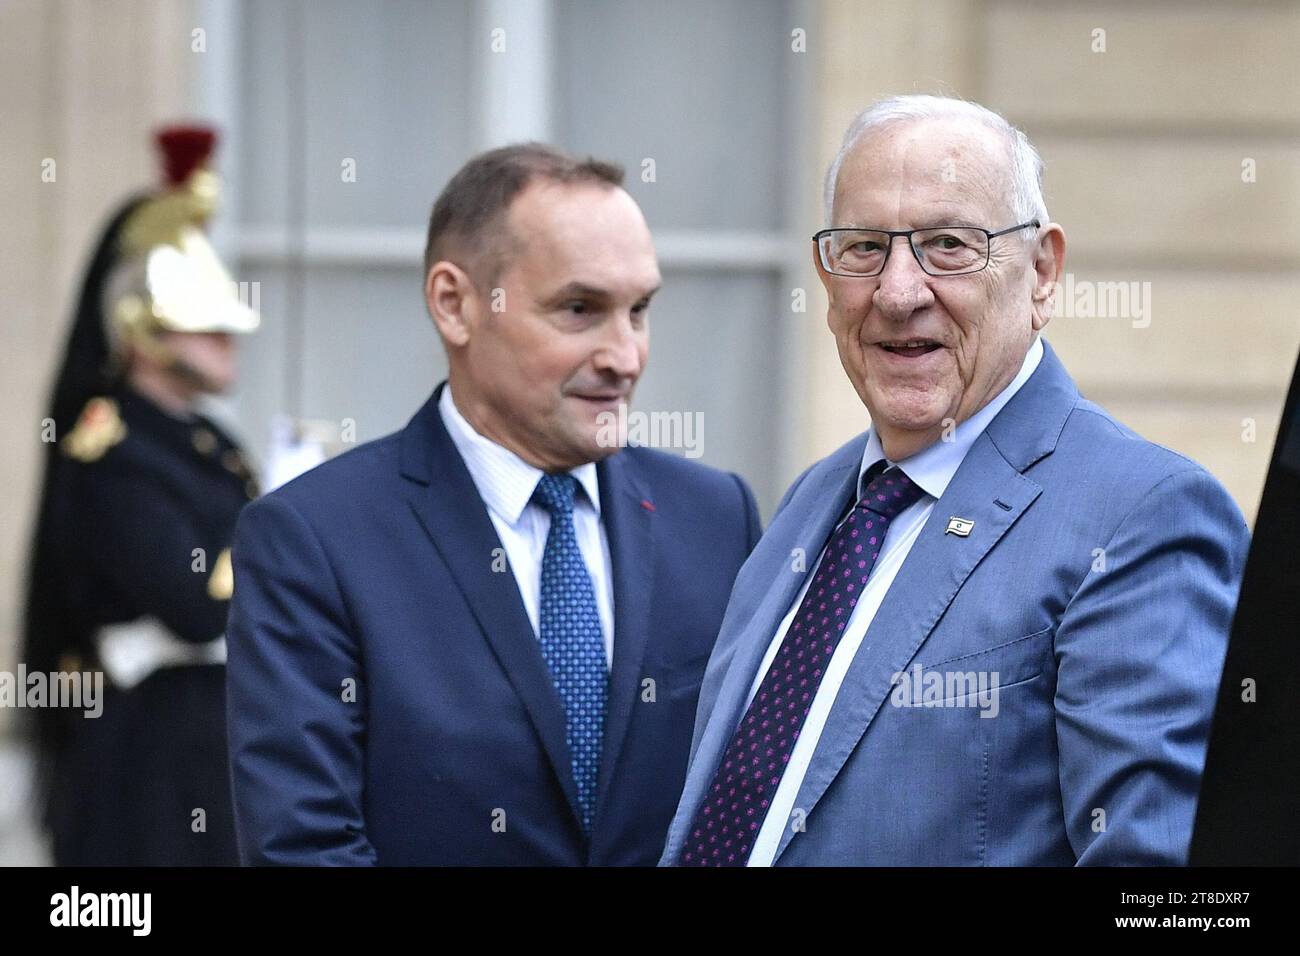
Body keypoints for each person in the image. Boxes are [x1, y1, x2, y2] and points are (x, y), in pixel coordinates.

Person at [661, 95, 1251, 867]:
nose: (898, 293)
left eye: (947, 245)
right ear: (826, 273)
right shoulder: (817, 498)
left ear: (1042, 272)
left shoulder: (1143, 516)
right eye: (865, 247)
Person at [226, 143, 762, 865]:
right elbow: (304, 847)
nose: (625, 356)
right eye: (580, 309)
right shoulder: (313, 540)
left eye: (639, 311)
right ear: (455, 304)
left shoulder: (715, 518)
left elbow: (752, 804)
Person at [22, 125, 259, 865]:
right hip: (141, 756)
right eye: (203, 324)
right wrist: (282, 524)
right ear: (142, 328)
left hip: (219, 740)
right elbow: (194, 603)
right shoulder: (109, 445)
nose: (228, 339)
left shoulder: (212, 444)